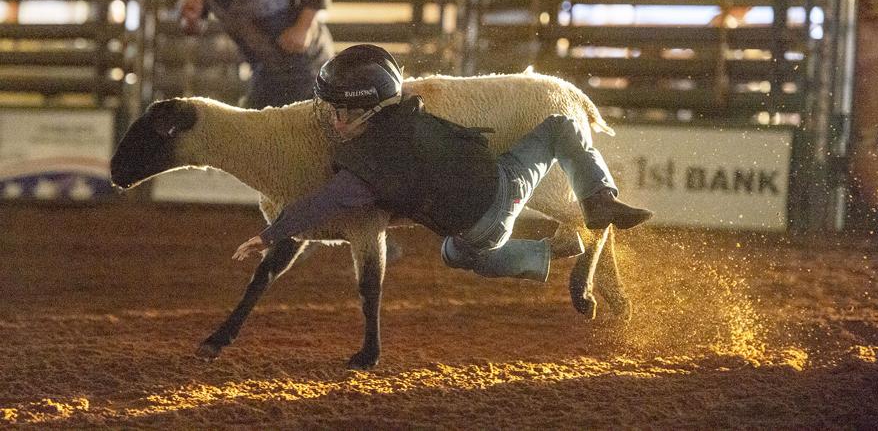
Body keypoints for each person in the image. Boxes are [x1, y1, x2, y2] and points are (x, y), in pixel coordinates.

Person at [232, 44, 653, 284]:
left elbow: (320, 203)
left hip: (469, 234)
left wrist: (271, 234)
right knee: (560, 127)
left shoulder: (361, 170)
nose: (334, 120)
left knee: (455, 252)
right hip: (500, 195)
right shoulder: (420, 116)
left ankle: (545, 255)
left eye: (344, 111)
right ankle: (598, 198)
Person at [179, 0, 335, 109]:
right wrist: (190, 18)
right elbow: (193, 25)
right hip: (264, 71)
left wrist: (303, 27)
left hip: (307, 66)